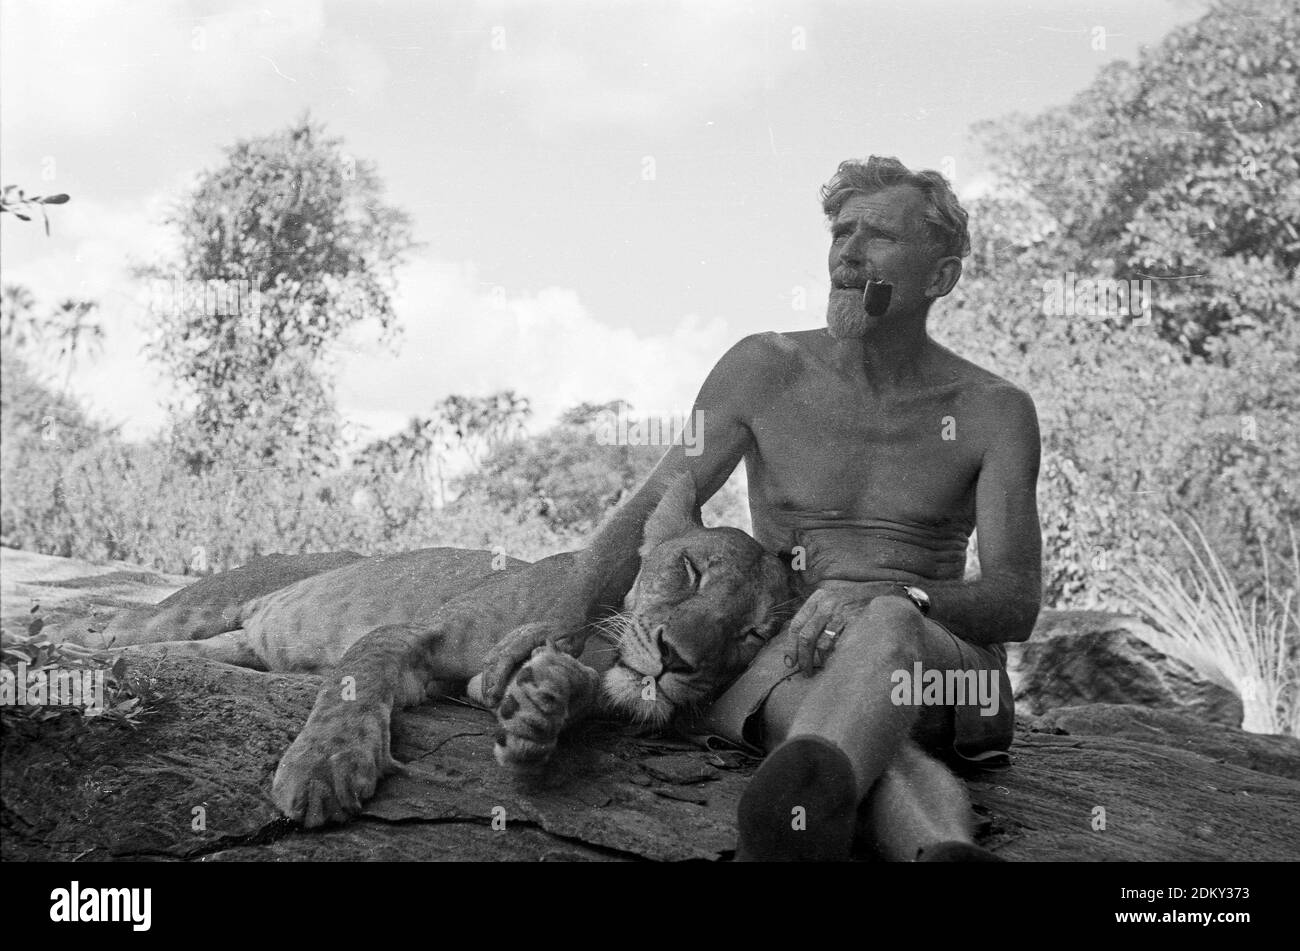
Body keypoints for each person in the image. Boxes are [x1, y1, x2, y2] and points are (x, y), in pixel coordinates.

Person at [489, 155, 1042, 861]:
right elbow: (661, 496)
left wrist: (887, 592)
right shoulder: (762, 368)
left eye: (878, 236)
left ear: (940, 277)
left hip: (947, 670)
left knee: (886, 625)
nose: (848, 251)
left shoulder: (994, 411)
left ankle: (779, 834)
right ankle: (932, 848)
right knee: (841, 735)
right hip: (793, 660)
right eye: (842, 232)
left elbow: (1015, 601)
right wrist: (561, 636)